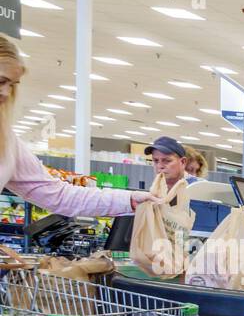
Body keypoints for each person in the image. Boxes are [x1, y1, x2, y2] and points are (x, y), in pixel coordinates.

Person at [0, 35, 154, 218]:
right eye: (2, 81)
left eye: (12, 84)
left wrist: (128, 199)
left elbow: (57, 195)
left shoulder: (6, 141)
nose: (6, 93)